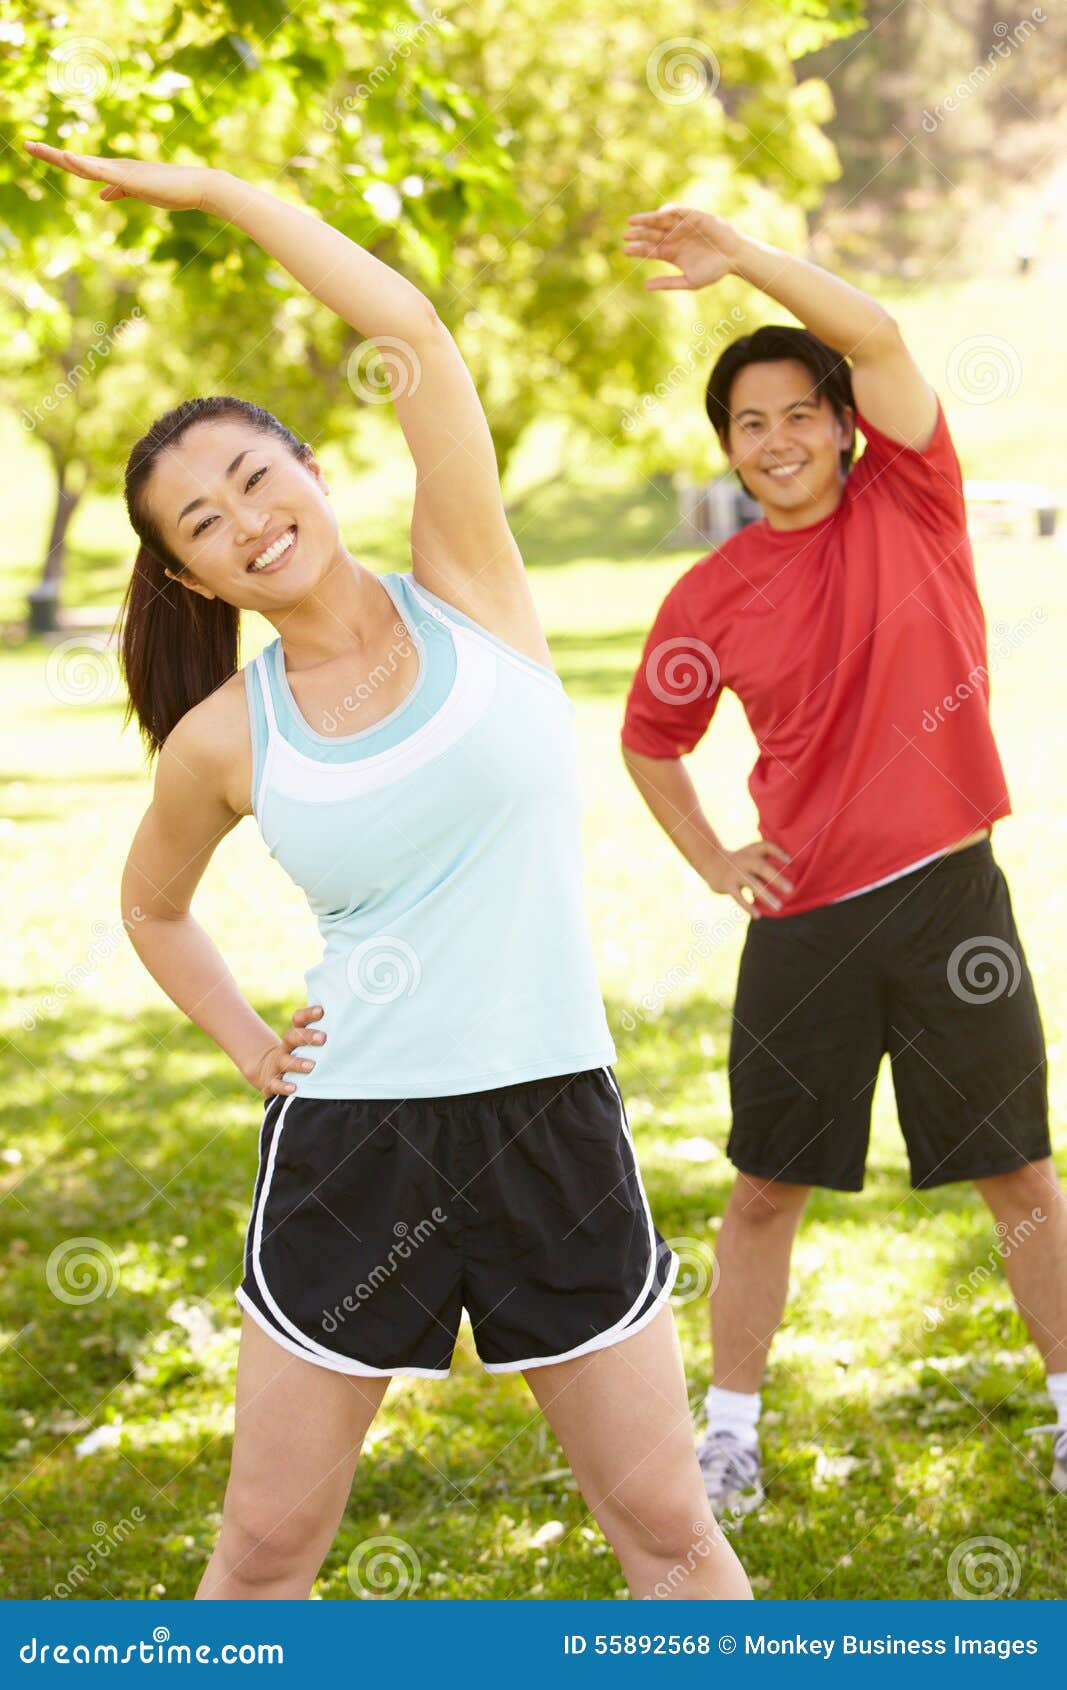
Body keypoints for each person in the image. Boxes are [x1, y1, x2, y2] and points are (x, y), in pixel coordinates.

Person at [23, 139, 752, 1601]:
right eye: (202, 523)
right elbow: (151, 905)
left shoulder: (472, 586)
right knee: (268, 1545)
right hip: (355, 1142)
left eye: (253, 475)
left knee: (667, 1526)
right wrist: (245, 1041)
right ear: (189, 577)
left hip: (550, 1110)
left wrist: (220, 194)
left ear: (309, 461)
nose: (246, 519)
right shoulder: (227, 734)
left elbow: (409, 334)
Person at [618, 202, 1067, 1519]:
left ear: (845, 423)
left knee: (1020, 1177)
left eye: (798, 412)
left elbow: (875, 330)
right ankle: (731, 1436)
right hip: (803, 922)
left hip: (947, 898)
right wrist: (714, 857)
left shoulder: (913, 495)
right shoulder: (709, 595)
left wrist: (744, 259)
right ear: (730, 452)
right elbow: (652, 742)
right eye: (748, 425)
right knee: (764, 1187)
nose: (776, 439)